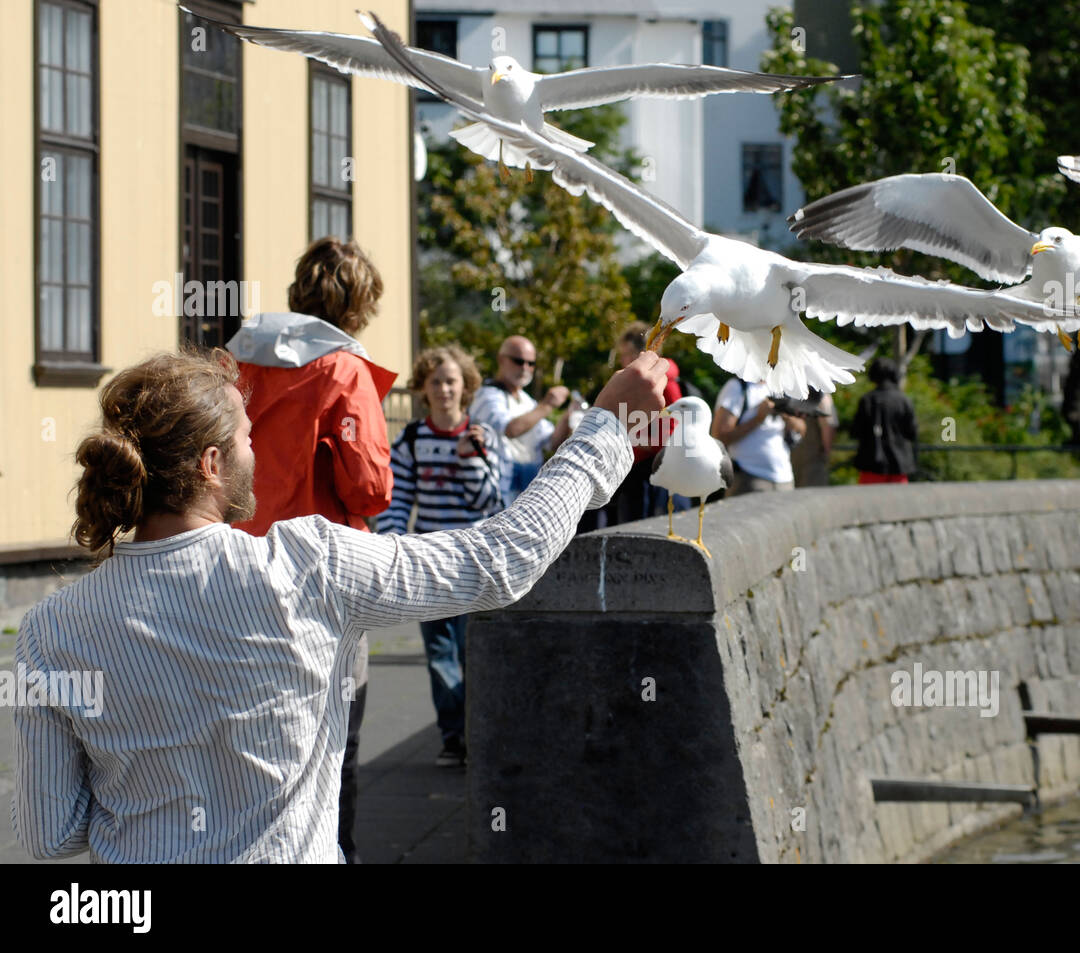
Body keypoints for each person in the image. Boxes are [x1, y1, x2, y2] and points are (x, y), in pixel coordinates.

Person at [11, 346, 667, 863]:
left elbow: (48, 833)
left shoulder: (46, 629)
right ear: (210, 464)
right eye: (245, 436)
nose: (256, 449)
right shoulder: (303, 566)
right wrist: (600, 429)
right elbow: (499, 560)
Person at [224, 236, 396, 864]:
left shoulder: (238, 359)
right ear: (359, 305)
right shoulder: (344, 368)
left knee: (247, 730)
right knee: (333, 736)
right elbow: (369, 487)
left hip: (239, 558)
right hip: (323, 569)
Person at [375, 346, 502, 769]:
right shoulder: (412, 437)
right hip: (428, 559)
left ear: (466, 387)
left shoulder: (484, 435)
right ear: (423, 390)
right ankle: (454, 737)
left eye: (451, 381)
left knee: (472, 652)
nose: (444, 389)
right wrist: (393, 540)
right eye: (435, 382)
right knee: (440, 653)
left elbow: (489, 499)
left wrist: (469, 459)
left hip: (472, 561)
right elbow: (397, 497)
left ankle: (476, 731)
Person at [469, 335, 572, 505]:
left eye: (531, 363)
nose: (525, 368)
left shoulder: (526, 400)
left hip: (528, 487)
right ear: (501, 360)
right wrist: (547, 405)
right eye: (518, 361)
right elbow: (510, 429)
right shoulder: (487, 395)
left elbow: (552, 442)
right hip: (501, 492)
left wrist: (569, 415)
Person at [609, 322, 683, 524]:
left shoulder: (665, 384)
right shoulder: (642, 383)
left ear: (644, 354)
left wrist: (621, 438)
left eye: (626, 354)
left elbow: (668, 438)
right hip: (636, 475)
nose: (623, 360)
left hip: (650, 481)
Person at [712, 377, 806, 495]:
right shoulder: (736, 387)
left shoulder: (781, 385)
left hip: (785, 479)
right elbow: (719, 436)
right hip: (749, 478)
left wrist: (786, 414)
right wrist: (758, 419)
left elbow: (801, 429)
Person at [851, 358, 918, 484]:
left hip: (871, 463)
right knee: (900, 502)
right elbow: (912, 433)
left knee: (868, 501)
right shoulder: (904, 400)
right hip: (899, 463)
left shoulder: (867, 400)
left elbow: (856, 431)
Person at [790, 390, 839, 487]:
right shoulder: (821, 394)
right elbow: (828, 424)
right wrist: (826, 452)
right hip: (812, 454)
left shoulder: (791, 391)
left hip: (790, 453)